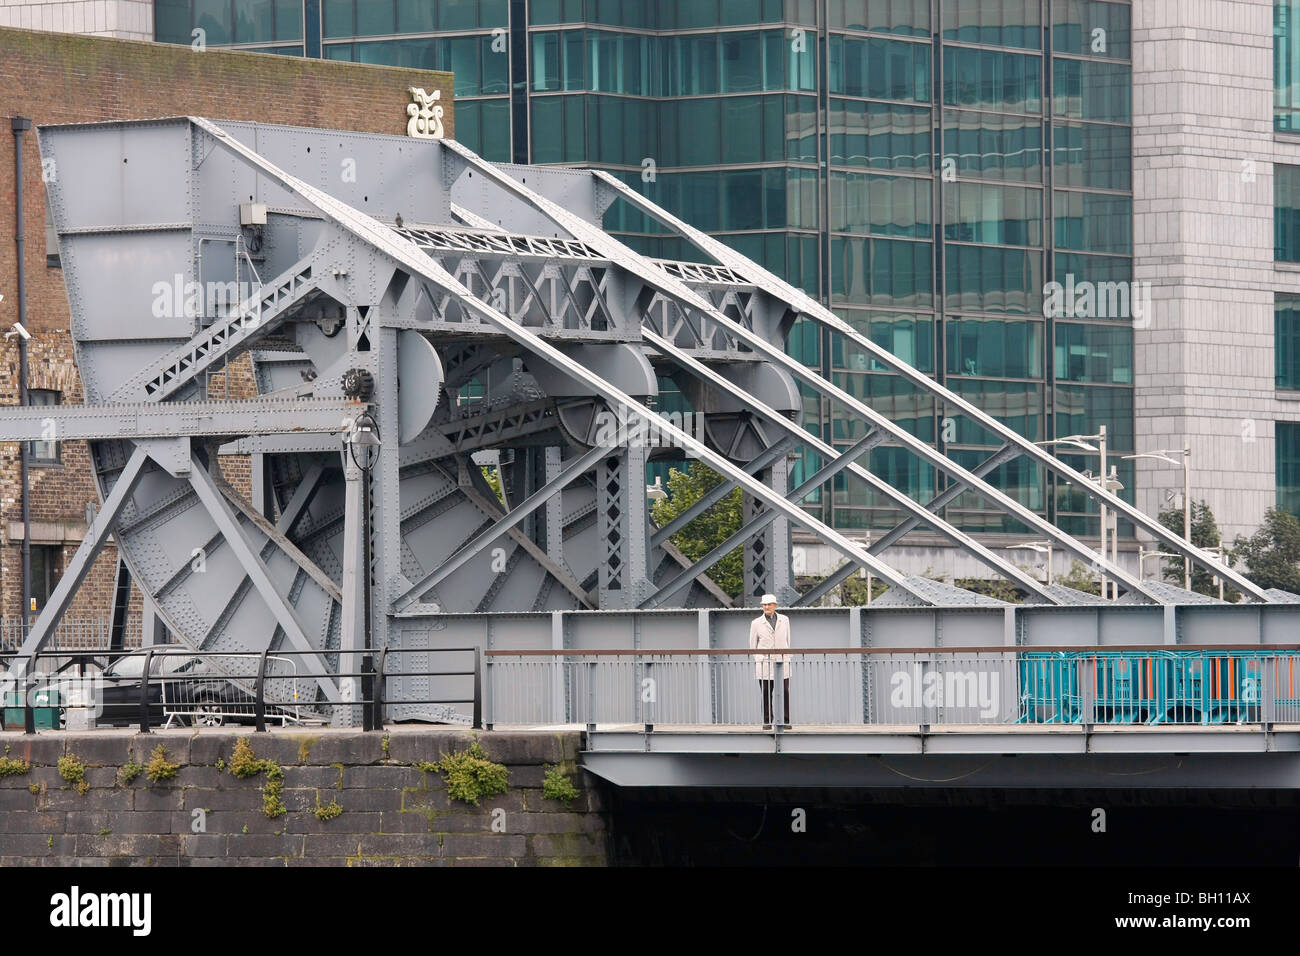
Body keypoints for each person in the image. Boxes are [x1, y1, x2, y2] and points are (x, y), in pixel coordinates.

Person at [749, 593, 791, 729]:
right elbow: (752, 645)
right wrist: (759, 659)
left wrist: (787, 656)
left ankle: (785, 721)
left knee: (785, 691)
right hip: (764, 663)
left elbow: (787, 640)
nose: (766, 607)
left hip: (782, 661)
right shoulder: (756, 623)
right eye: (764, 605)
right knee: (766, 692)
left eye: (769, 604)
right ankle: (767, 721)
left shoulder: (784, 620)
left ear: (775, 606)